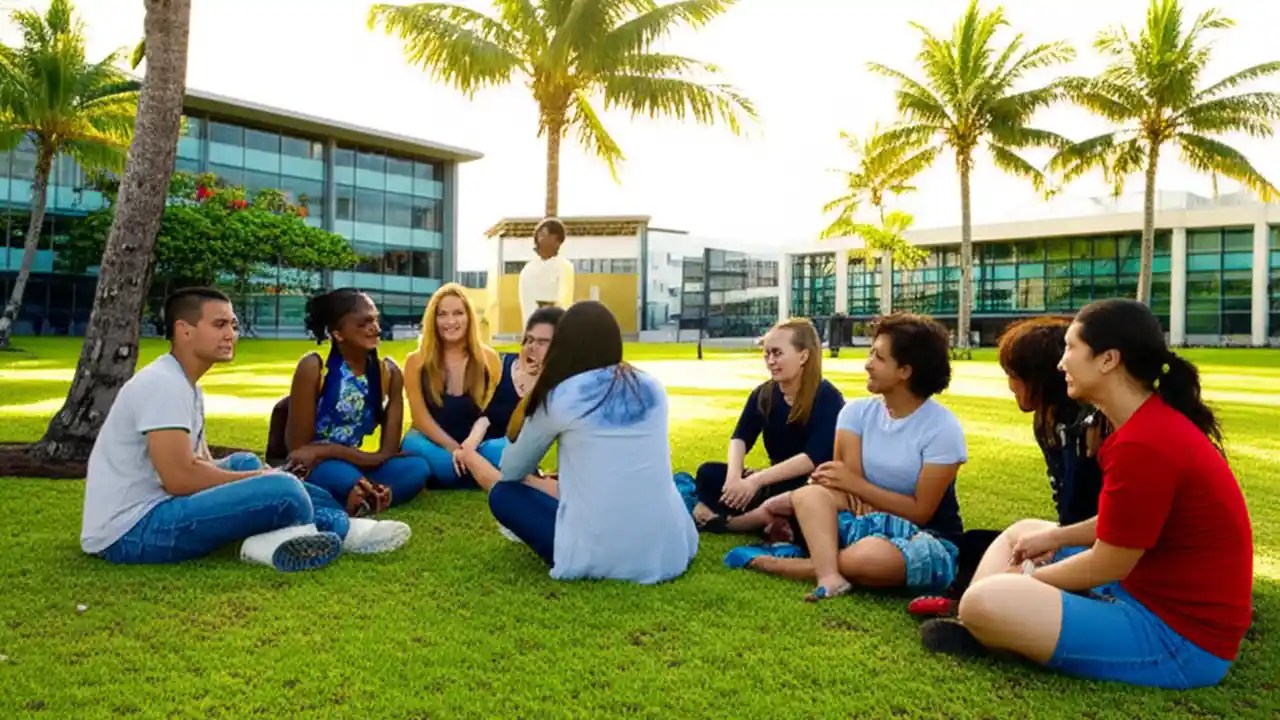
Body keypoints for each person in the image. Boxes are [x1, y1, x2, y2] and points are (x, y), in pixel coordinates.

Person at [921, 299, 1253, 691]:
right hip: (1138, 591)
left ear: (1108, 359)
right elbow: (1126, 522)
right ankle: (991, 621)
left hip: (1178, 640)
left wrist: (1031, 580)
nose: (1061, 363)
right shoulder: (1142, 425)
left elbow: (1109, 562)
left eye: (1071, 348)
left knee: (986, 600)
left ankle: (989, 617)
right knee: (1025, 531)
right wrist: (1057, 537)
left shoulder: (1145, 443)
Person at [81, 288, 403, 572]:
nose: (231, 334)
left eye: (234, 325)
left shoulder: (186, 385)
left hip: (157, 505)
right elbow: (180, 479)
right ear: (184, 331)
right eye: (219, 324)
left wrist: (255, 473)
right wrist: (264, 480)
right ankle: (342, 530)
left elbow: (201, 463)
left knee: (248, 462)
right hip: (132, 530)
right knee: (282, 488)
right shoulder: (163, 385)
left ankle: (278, 538)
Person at [729, 312, 966, 602]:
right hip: (860, 522)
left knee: (866, 558)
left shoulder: (942, 429)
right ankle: (830, 576)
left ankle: (786, 563)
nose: (867, 364)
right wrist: (842, 489)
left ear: (905, 370)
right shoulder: (856, 413)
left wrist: (856, 485)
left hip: (923, 535)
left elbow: (920, 511)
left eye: (878, 357)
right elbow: (842, 489)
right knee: (808, 496)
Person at [908, 316, 1107, 617]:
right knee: (975, 543)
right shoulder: (1046, 422)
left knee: (1021, 552)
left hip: (1098, 543)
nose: (1010, 385)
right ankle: (974, 598)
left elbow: (1082, 509)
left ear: (1039, 377)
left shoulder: (1085, 428)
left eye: (1014, 375)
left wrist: (1055, 541)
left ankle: (979, 605)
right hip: (1072, 534)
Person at [488, 301, 698, 584]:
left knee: (503, 494)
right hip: (669, 547)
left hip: (597, 550)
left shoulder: (560, 396)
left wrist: (540, 384)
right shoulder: (651, 386)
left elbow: (511, 469)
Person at [282, 288, 429, 518]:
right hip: (317, 467)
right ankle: (367, 494)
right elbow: (299, 452)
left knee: (418, 467)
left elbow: (388, 452)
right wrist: (359, 459)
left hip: (356, 462)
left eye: (376, 321)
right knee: (340, 474)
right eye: (365, 323)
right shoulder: (313, 367)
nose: (377, 329)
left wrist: (331, 450)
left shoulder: (388, 373)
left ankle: (362, 497)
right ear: (338, 333)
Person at [690, 317, 844, 534]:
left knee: (799, 498)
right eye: (767, 354)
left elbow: (811, 459)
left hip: (807, 484)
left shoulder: (828, 398)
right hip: (770, 482)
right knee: (708, 473)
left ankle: (728, 522)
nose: (770, 361)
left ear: (803, 356)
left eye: (777, 353)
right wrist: (734, 479)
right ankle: (761, 519)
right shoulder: (764, 394)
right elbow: (740, 438)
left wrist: (756, 481)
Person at [401, 284, 504, 488]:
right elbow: (420, 419)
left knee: (504, 448)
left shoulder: (489, 358)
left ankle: (460, 472)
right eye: (442, 314)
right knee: (412, 445)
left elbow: (495, 414)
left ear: (469, 318)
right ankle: (475, 472)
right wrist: (453, 448)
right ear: (433, 320)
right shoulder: (416, 361)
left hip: (477, 445)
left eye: (458, 313)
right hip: (437, 445)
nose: (450, 322)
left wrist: (469, 449)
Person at [457, 306, 564, 494]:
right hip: (483, 446)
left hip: (519, 456)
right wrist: (470, 445)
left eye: (542, 342)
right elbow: (485, 416)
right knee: (501, 450)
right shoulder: (503, 365)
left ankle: (513, 483)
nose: (531, 347)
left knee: (512, 454)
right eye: (529, 339)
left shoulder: (559, 385)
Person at [518, 217, 575, 328]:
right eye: (539, 235)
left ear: (557, 240)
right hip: (533, 326)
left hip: (556, 328)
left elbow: (564, 301)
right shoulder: (528, 269)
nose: (540, 239)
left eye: (544, 235)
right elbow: (526, 303)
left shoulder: (564, 266)